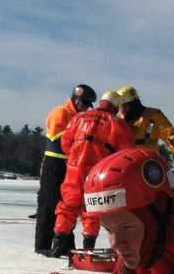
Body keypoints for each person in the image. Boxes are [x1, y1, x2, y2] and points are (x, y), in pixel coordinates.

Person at [48, 91, 136, 257]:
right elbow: (126, 152)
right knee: (92, 208)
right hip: (97, 172)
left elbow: (65, 142)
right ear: (116, 106)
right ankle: (88, 249)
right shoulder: (117, 123)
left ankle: (57, 246)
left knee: (67, 206)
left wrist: (76, 156)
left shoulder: (79, 118)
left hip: (74, 169)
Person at [35, 85, 96, 255]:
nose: (86, 108)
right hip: (54, 163)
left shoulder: (77, 117)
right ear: (77, 100)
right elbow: (57, 137)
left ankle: (65, 246)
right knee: (49, 204)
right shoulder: (60, 113)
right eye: (85, 103)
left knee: (68, 205)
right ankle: (42, 246)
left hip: (69, 166)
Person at [115, 86, 174, 180]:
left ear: (134, 103)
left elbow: (170, 135)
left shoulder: (153, 115)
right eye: (121, 106)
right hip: (125, 167)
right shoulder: (118, 121)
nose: (123, 109)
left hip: (151, 167)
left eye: (125, 105)